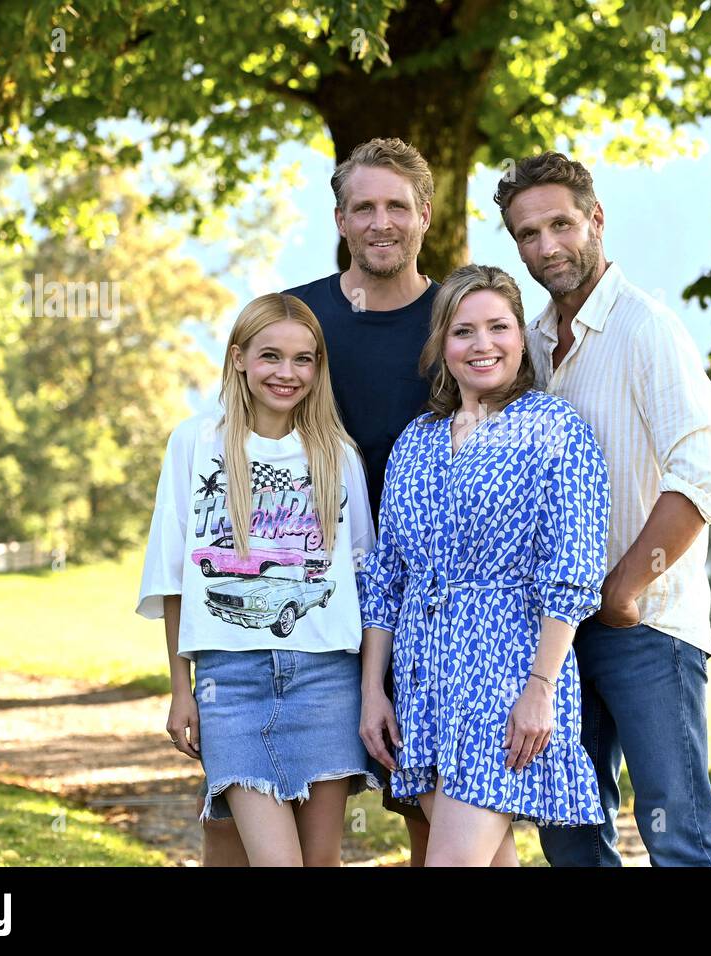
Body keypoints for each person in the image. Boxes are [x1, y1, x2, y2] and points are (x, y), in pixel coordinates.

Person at [199, 137, 442, 866]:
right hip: (305, 605)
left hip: (421, 597)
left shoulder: (454, 321)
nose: (380, 222)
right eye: (362, 207)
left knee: (426, 798)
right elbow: (227, 444)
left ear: (424, 215)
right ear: (339, 218)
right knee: (238, 819)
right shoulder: (297, 319)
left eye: (397, 206)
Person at [495, 151, 711, 867]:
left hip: (646, 628)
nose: (546, 247)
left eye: (560, 225)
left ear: (596, 221)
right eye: (527, 235)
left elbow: (702, 476)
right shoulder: (528, 343)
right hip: (554, 636)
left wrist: (625, 587)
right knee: (569, 837)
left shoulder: (646, 329)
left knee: (678, 838)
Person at [357, 264, 610, 866]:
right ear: (442, 343)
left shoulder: (555, 429)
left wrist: (541, 688)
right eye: (464, 331)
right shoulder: (417, 438)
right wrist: (373, 690)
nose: (482, 345)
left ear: (521, 338)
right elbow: (387, 574)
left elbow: (573, 568)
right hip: (425, 681)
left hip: (507, 677)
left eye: (498, 327)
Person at [137, 293, 380, 866]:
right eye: (271, 356)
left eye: (304, 359)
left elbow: (365, 582)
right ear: (239, 358)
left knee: (320, 861)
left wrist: (372, 689)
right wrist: (181, 688)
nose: (287, 373)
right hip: (231, 682)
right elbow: (173, 574)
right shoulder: (194, 444)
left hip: (327, 680)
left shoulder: (337, 455)